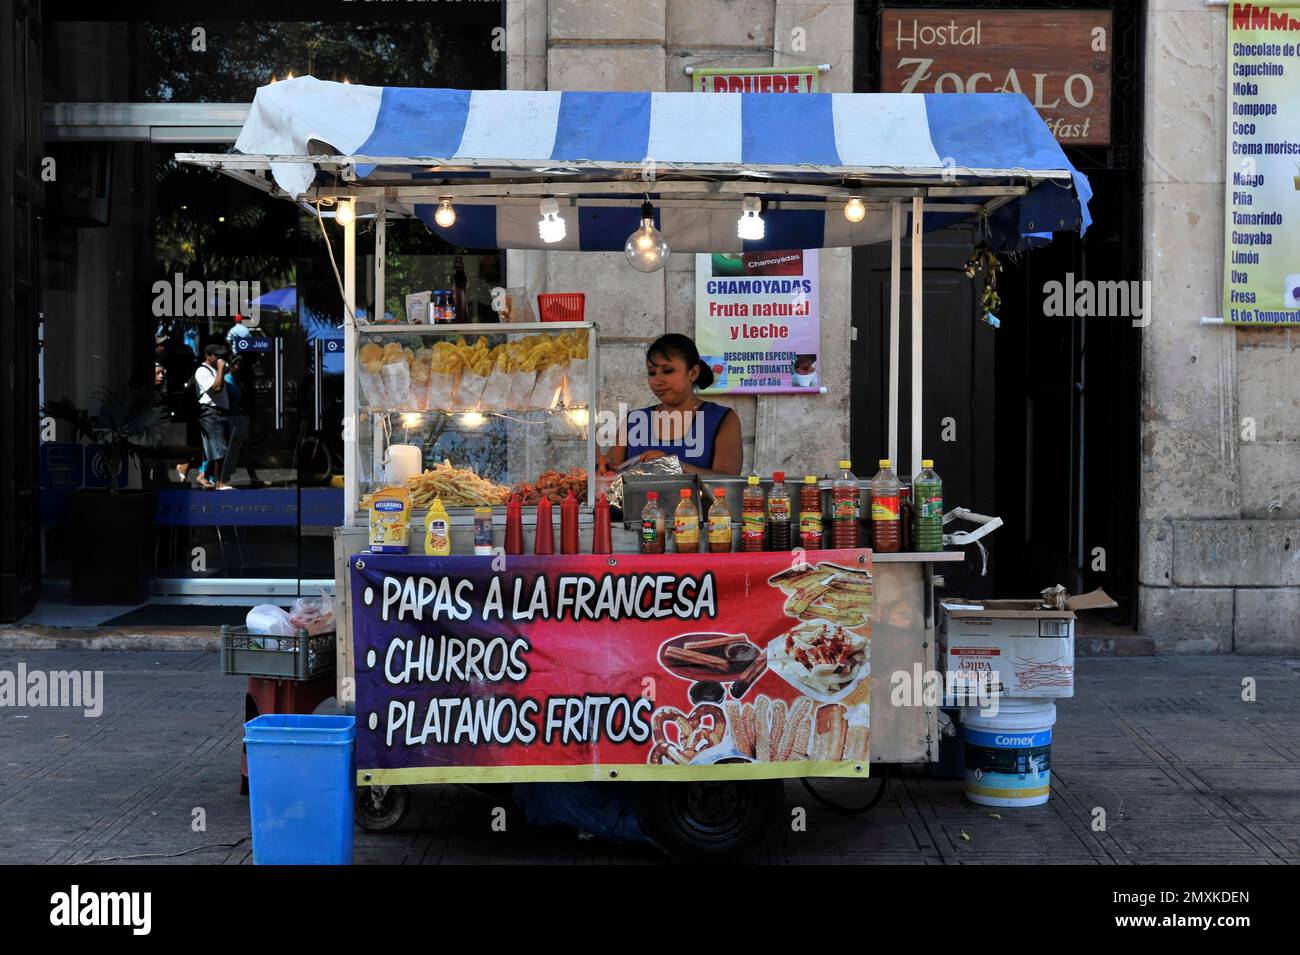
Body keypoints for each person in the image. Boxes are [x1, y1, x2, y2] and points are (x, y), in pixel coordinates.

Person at [607, 333, 742, 476]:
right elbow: (612, 474)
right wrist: (602, 467)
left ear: (693, 373)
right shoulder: (634, 420)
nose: (657, 380)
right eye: (652, 372)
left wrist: (674, 466)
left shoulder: (722, 419)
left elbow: (727, 482)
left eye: (668, 371)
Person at [194, 344, 234, 490]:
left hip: (220, 413)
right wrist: (221, 369)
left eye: (221, 356)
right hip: (210, 412)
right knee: (219, 448)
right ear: (208, 355)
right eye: (217, 356)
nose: (220, 359)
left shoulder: (214, 370)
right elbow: (216, 388)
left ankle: (205, 476)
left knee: (216, 447)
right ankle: (219, 482)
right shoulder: (202, 371)